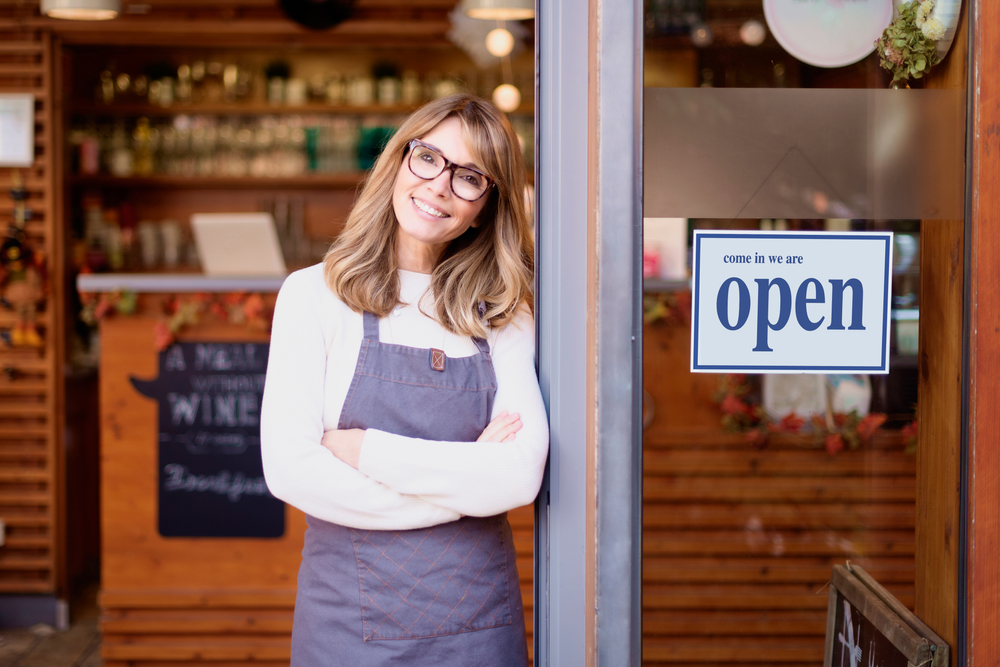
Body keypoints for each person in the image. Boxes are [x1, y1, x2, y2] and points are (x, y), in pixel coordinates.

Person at [260, 94, 548, 667]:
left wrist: (364, 449)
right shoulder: (311, 296)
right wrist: (464, 488)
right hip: (347, 625)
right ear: (398, 161)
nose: (440, 186)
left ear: (486, 206)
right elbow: (291, 470)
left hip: (478, 629)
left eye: (470, 177)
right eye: (428, 159)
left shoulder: (503, 313)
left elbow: (517, 478)